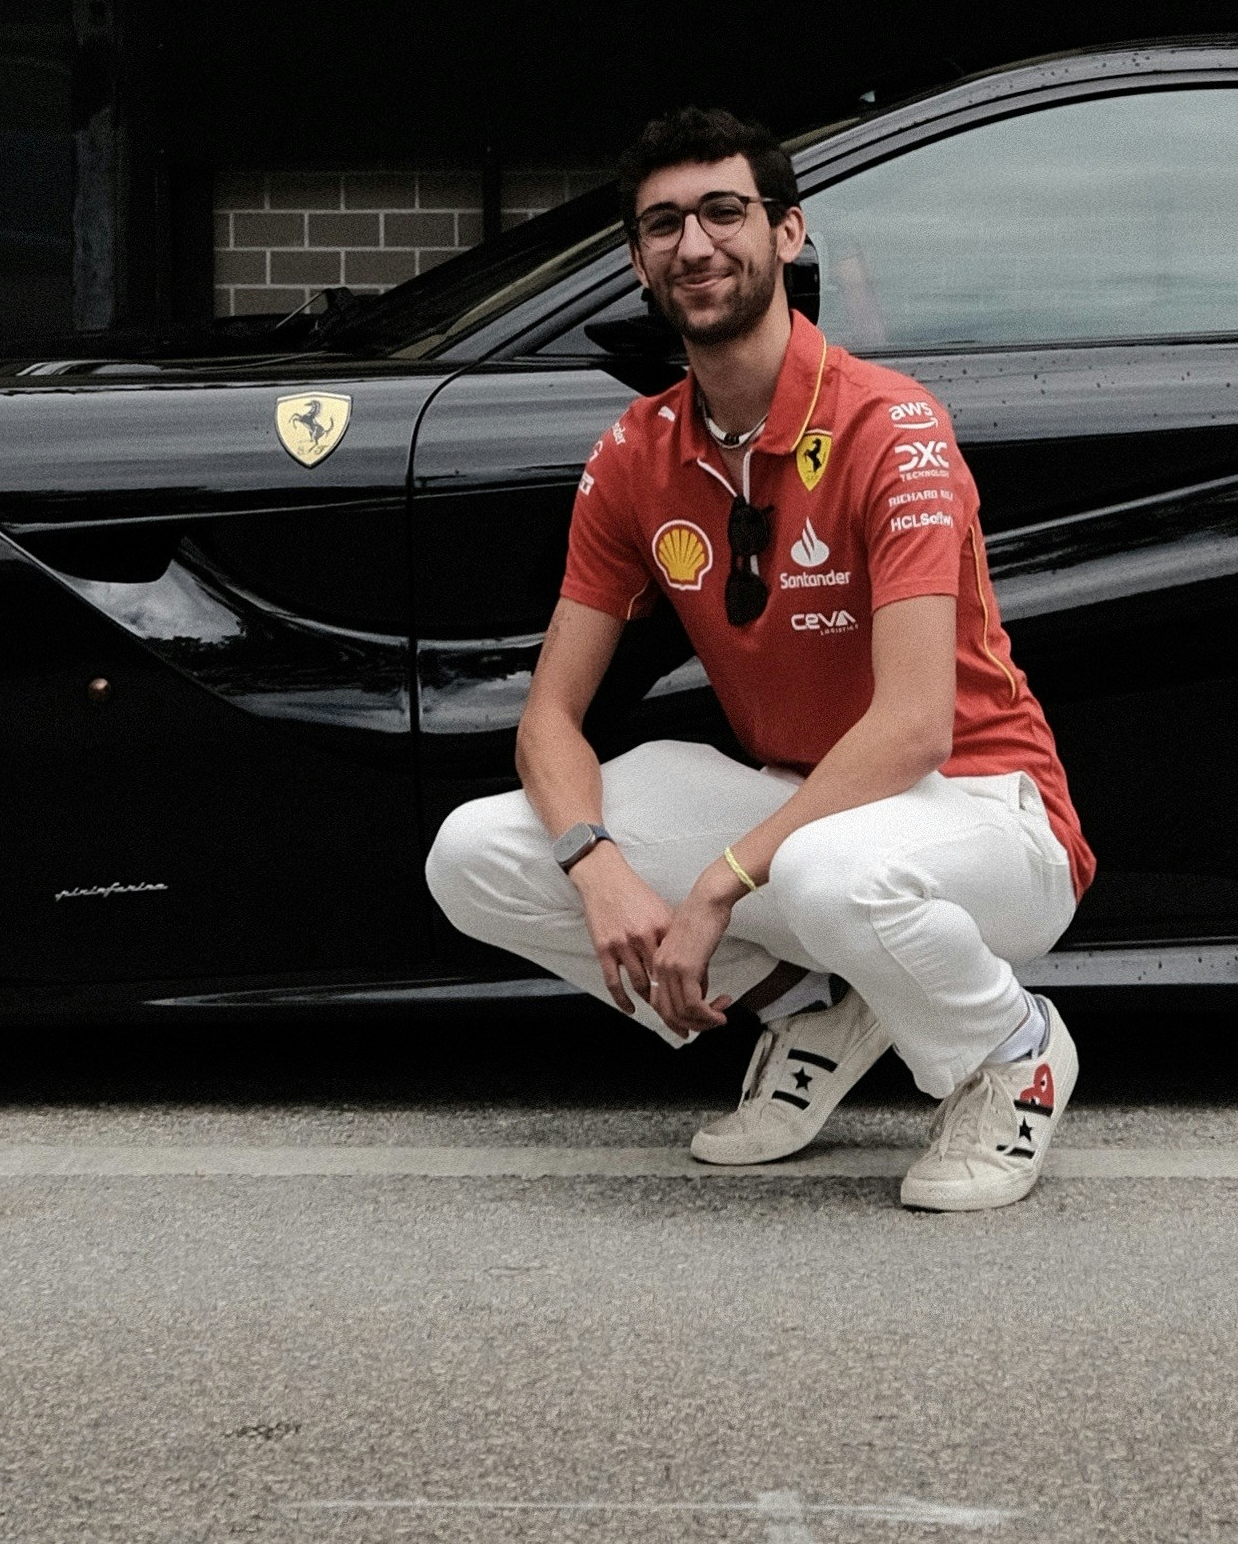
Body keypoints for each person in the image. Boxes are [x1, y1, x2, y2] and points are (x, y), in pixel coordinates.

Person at [423, 106, 1091, 1214]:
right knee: (477, 852)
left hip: (989, 813)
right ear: (637, 258)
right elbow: (549, 721)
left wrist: (721, 884)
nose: (695, 244)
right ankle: (814, 1008)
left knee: (830, 873)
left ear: (787, 234)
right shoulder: (637, 453)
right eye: (664, 223)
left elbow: (917, 725)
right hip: (805, 806)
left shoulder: (893, 424)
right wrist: (599, 870)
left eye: (725, 212)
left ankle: (1014, 1050)